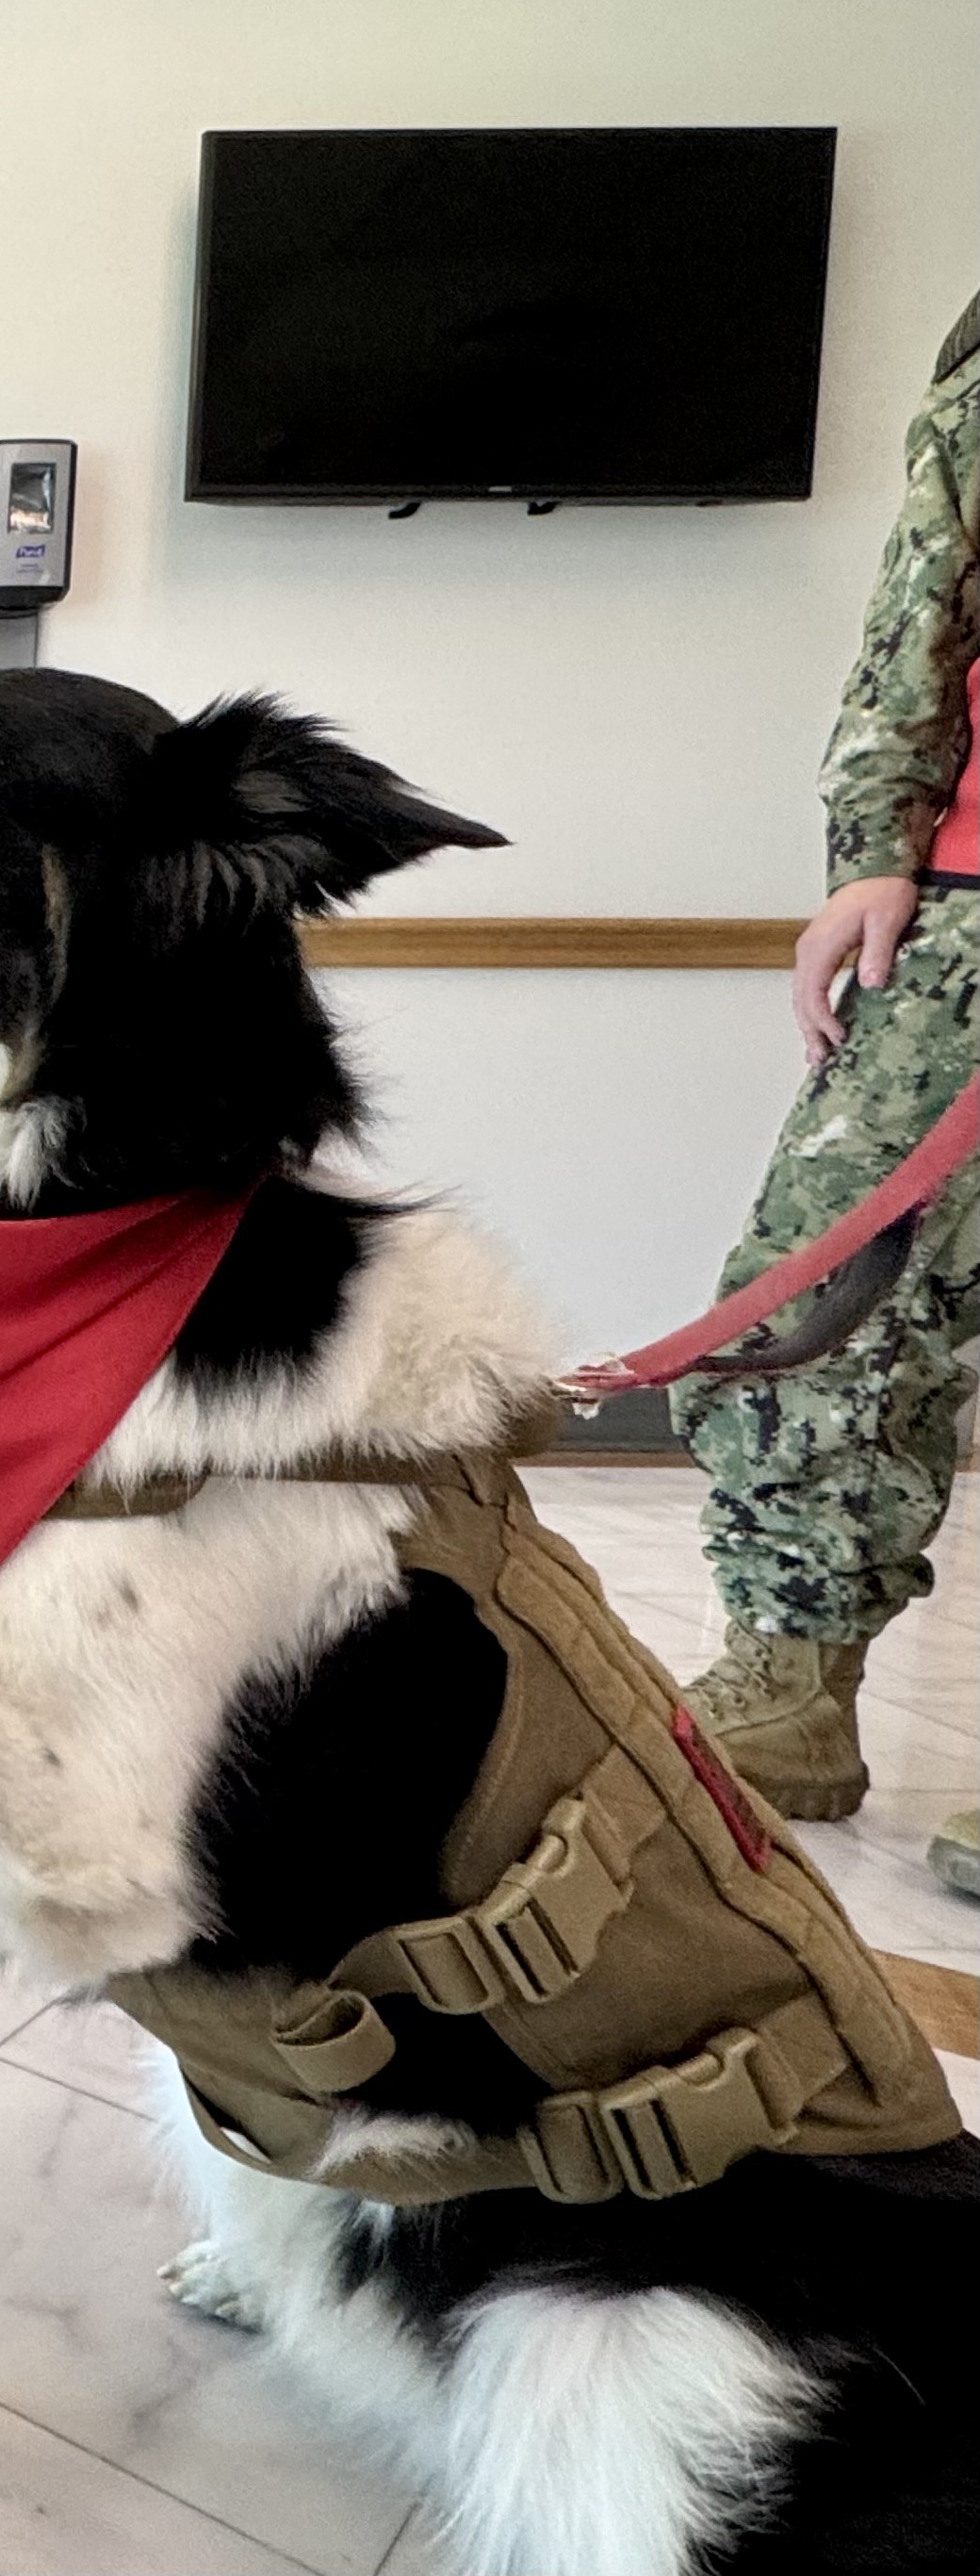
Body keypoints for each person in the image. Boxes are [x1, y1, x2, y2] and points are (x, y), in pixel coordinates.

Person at [676, 286, 980, 1896]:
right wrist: (876, 848)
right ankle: (792, 1686)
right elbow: (927, 601)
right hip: (973, 912)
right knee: (815, 1300)